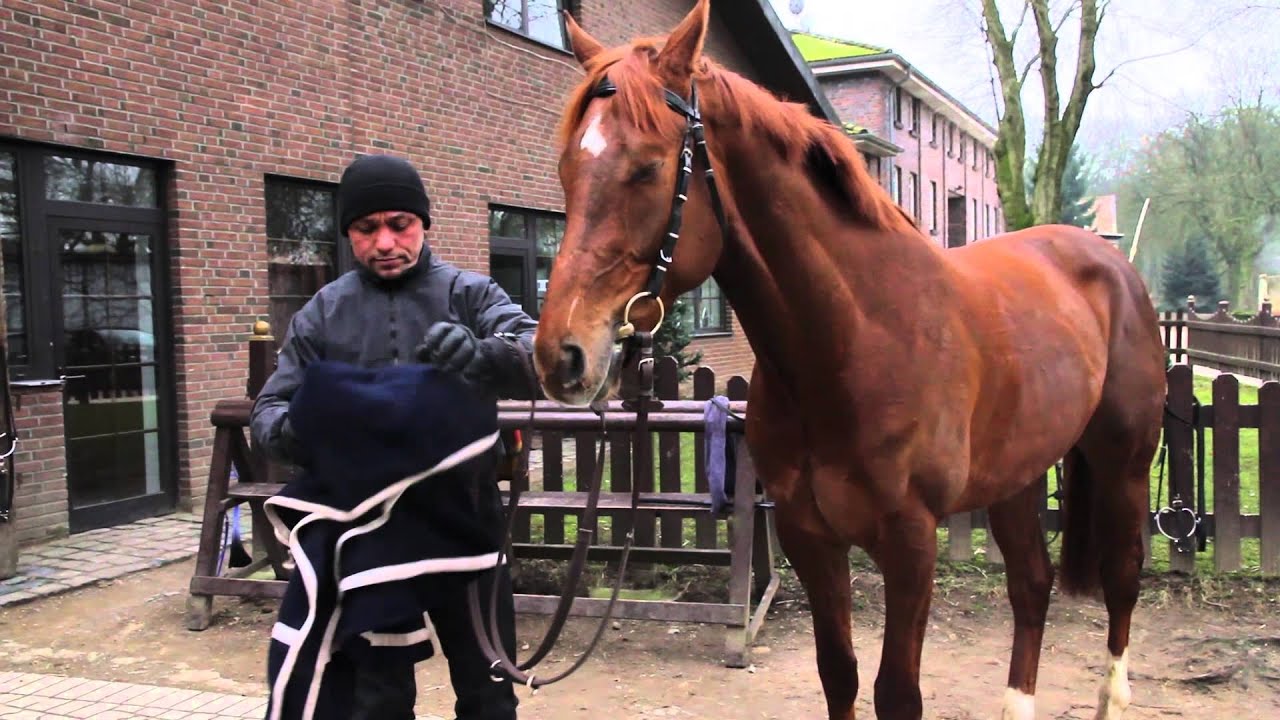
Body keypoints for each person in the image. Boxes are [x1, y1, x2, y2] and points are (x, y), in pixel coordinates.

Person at [250, 153, 537, 720]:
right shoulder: (322, 313)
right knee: (377, 697)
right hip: (366, 532)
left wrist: (485, 354)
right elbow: (269, 413)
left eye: (399, 224)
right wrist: (309, 432)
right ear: (349, 233)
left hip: (464, 517)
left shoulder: (471, 295)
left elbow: (540, 352)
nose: (384, 241)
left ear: (423, 224)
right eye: (366, 227)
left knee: (487, 690)